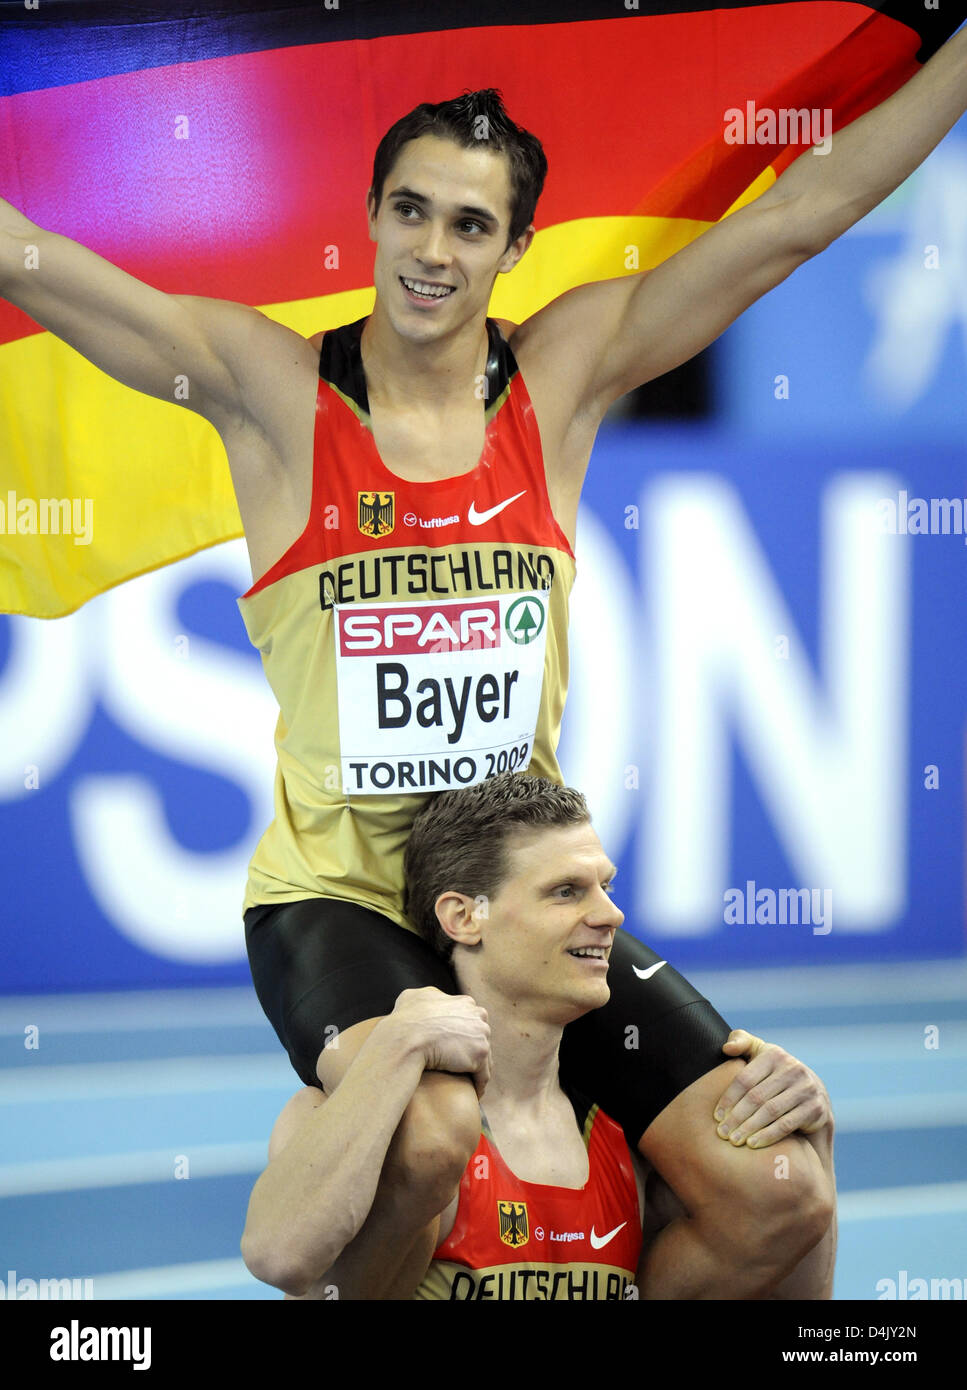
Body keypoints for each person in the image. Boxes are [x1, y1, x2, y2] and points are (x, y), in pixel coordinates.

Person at [2, 34, 962, 1293]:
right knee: (433, 1127)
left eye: (469, 223)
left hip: (518, 902)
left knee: (770, 1182)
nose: (431, 251)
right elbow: (43, 269)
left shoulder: (561, 379)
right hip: (336, 900)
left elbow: (804, 211)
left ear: (514, 249)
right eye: (409, 211)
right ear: (372, 218)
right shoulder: (271, 395)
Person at [241, 773, 836, 1300]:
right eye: (566, 891)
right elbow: (279, 1258)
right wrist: (398, 1046)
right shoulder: (382, 1131)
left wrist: (818, 1143)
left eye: (606, 886)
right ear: (464, 916)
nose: (611, 916)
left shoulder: (633, 1155)